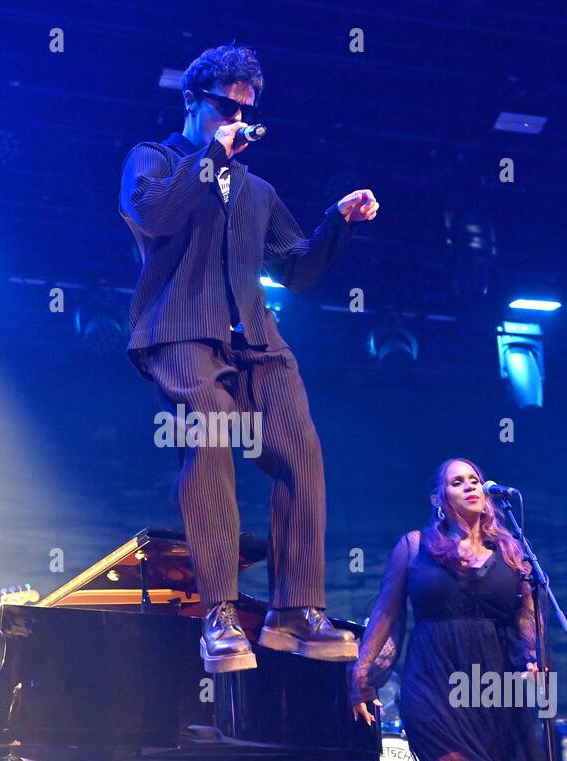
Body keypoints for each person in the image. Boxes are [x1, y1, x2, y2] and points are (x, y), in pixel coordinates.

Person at [119, 42, 379, 673]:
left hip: (258, 343)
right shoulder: (153, 159)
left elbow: (295, 269)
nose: (238, 122)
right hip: (182, 335)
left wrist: (336, 222)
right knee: (209, 444)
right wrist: (210, 155)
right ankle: (220, 618)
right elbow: (153, 215)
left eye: (248, 112)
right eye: (224, 108)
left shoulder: (257, 190)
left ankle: (295, 614)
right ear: (191, 101)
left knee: (301, 454)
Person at [351, 458, 552, 761]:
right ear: (439, 499)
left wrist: (533, 659)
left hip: (496, 693)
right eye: (457, 482)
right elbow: (386, 617)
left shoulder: (512, 553)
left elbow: (527, 620)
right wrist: (361, 676)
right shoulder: (414, 547)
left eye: (474, 480)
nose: (469, 486)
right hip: (433, 688)